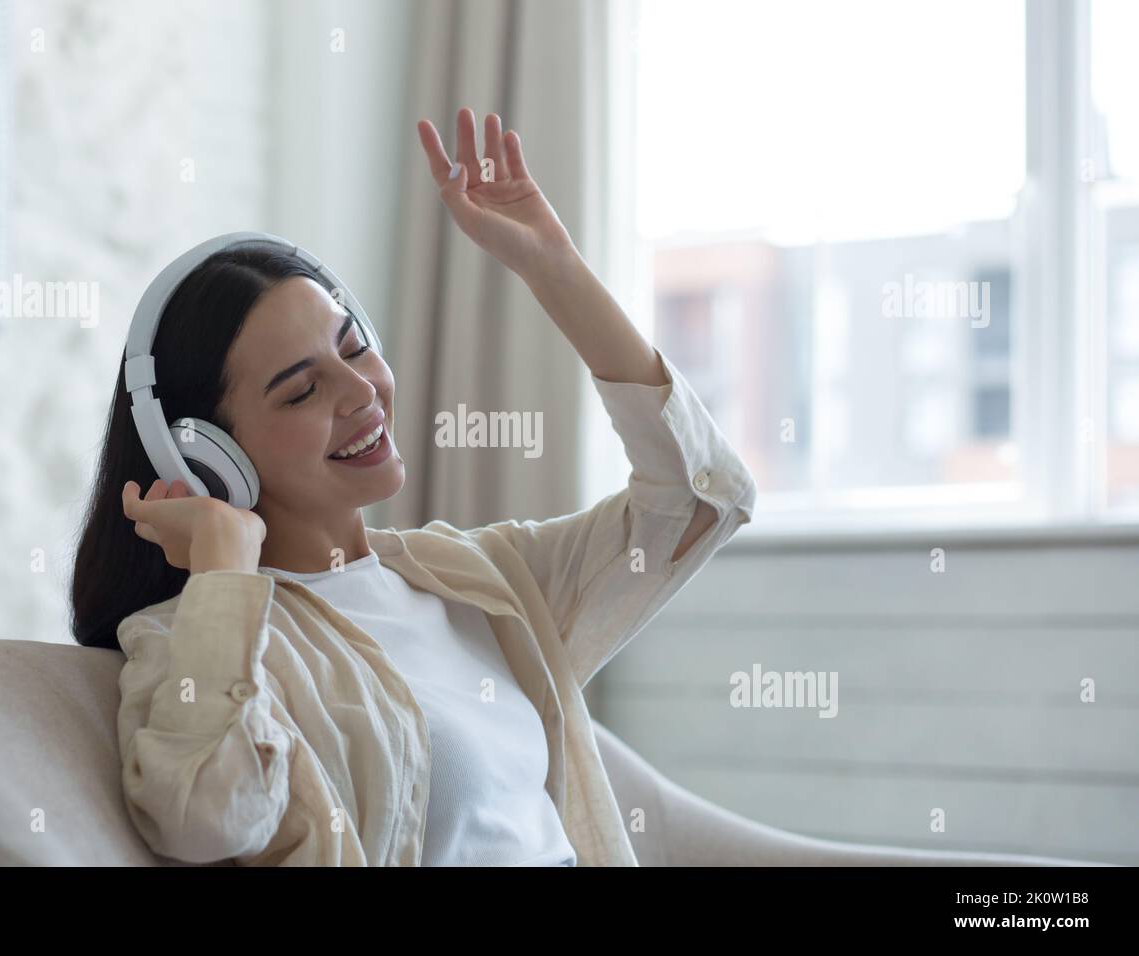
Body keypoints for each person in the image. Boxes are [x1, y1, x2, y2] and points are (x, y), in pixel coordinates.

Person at [70, 107, 757, 866]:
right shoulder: (190, 635)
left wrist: (552, 265)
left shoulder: (477, 579)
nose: (360, 392)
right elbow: (208, 819)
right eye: (300, 391)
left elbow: (700, 498)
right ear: (206, 457)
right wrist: (224, 569)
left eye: (354, 348)